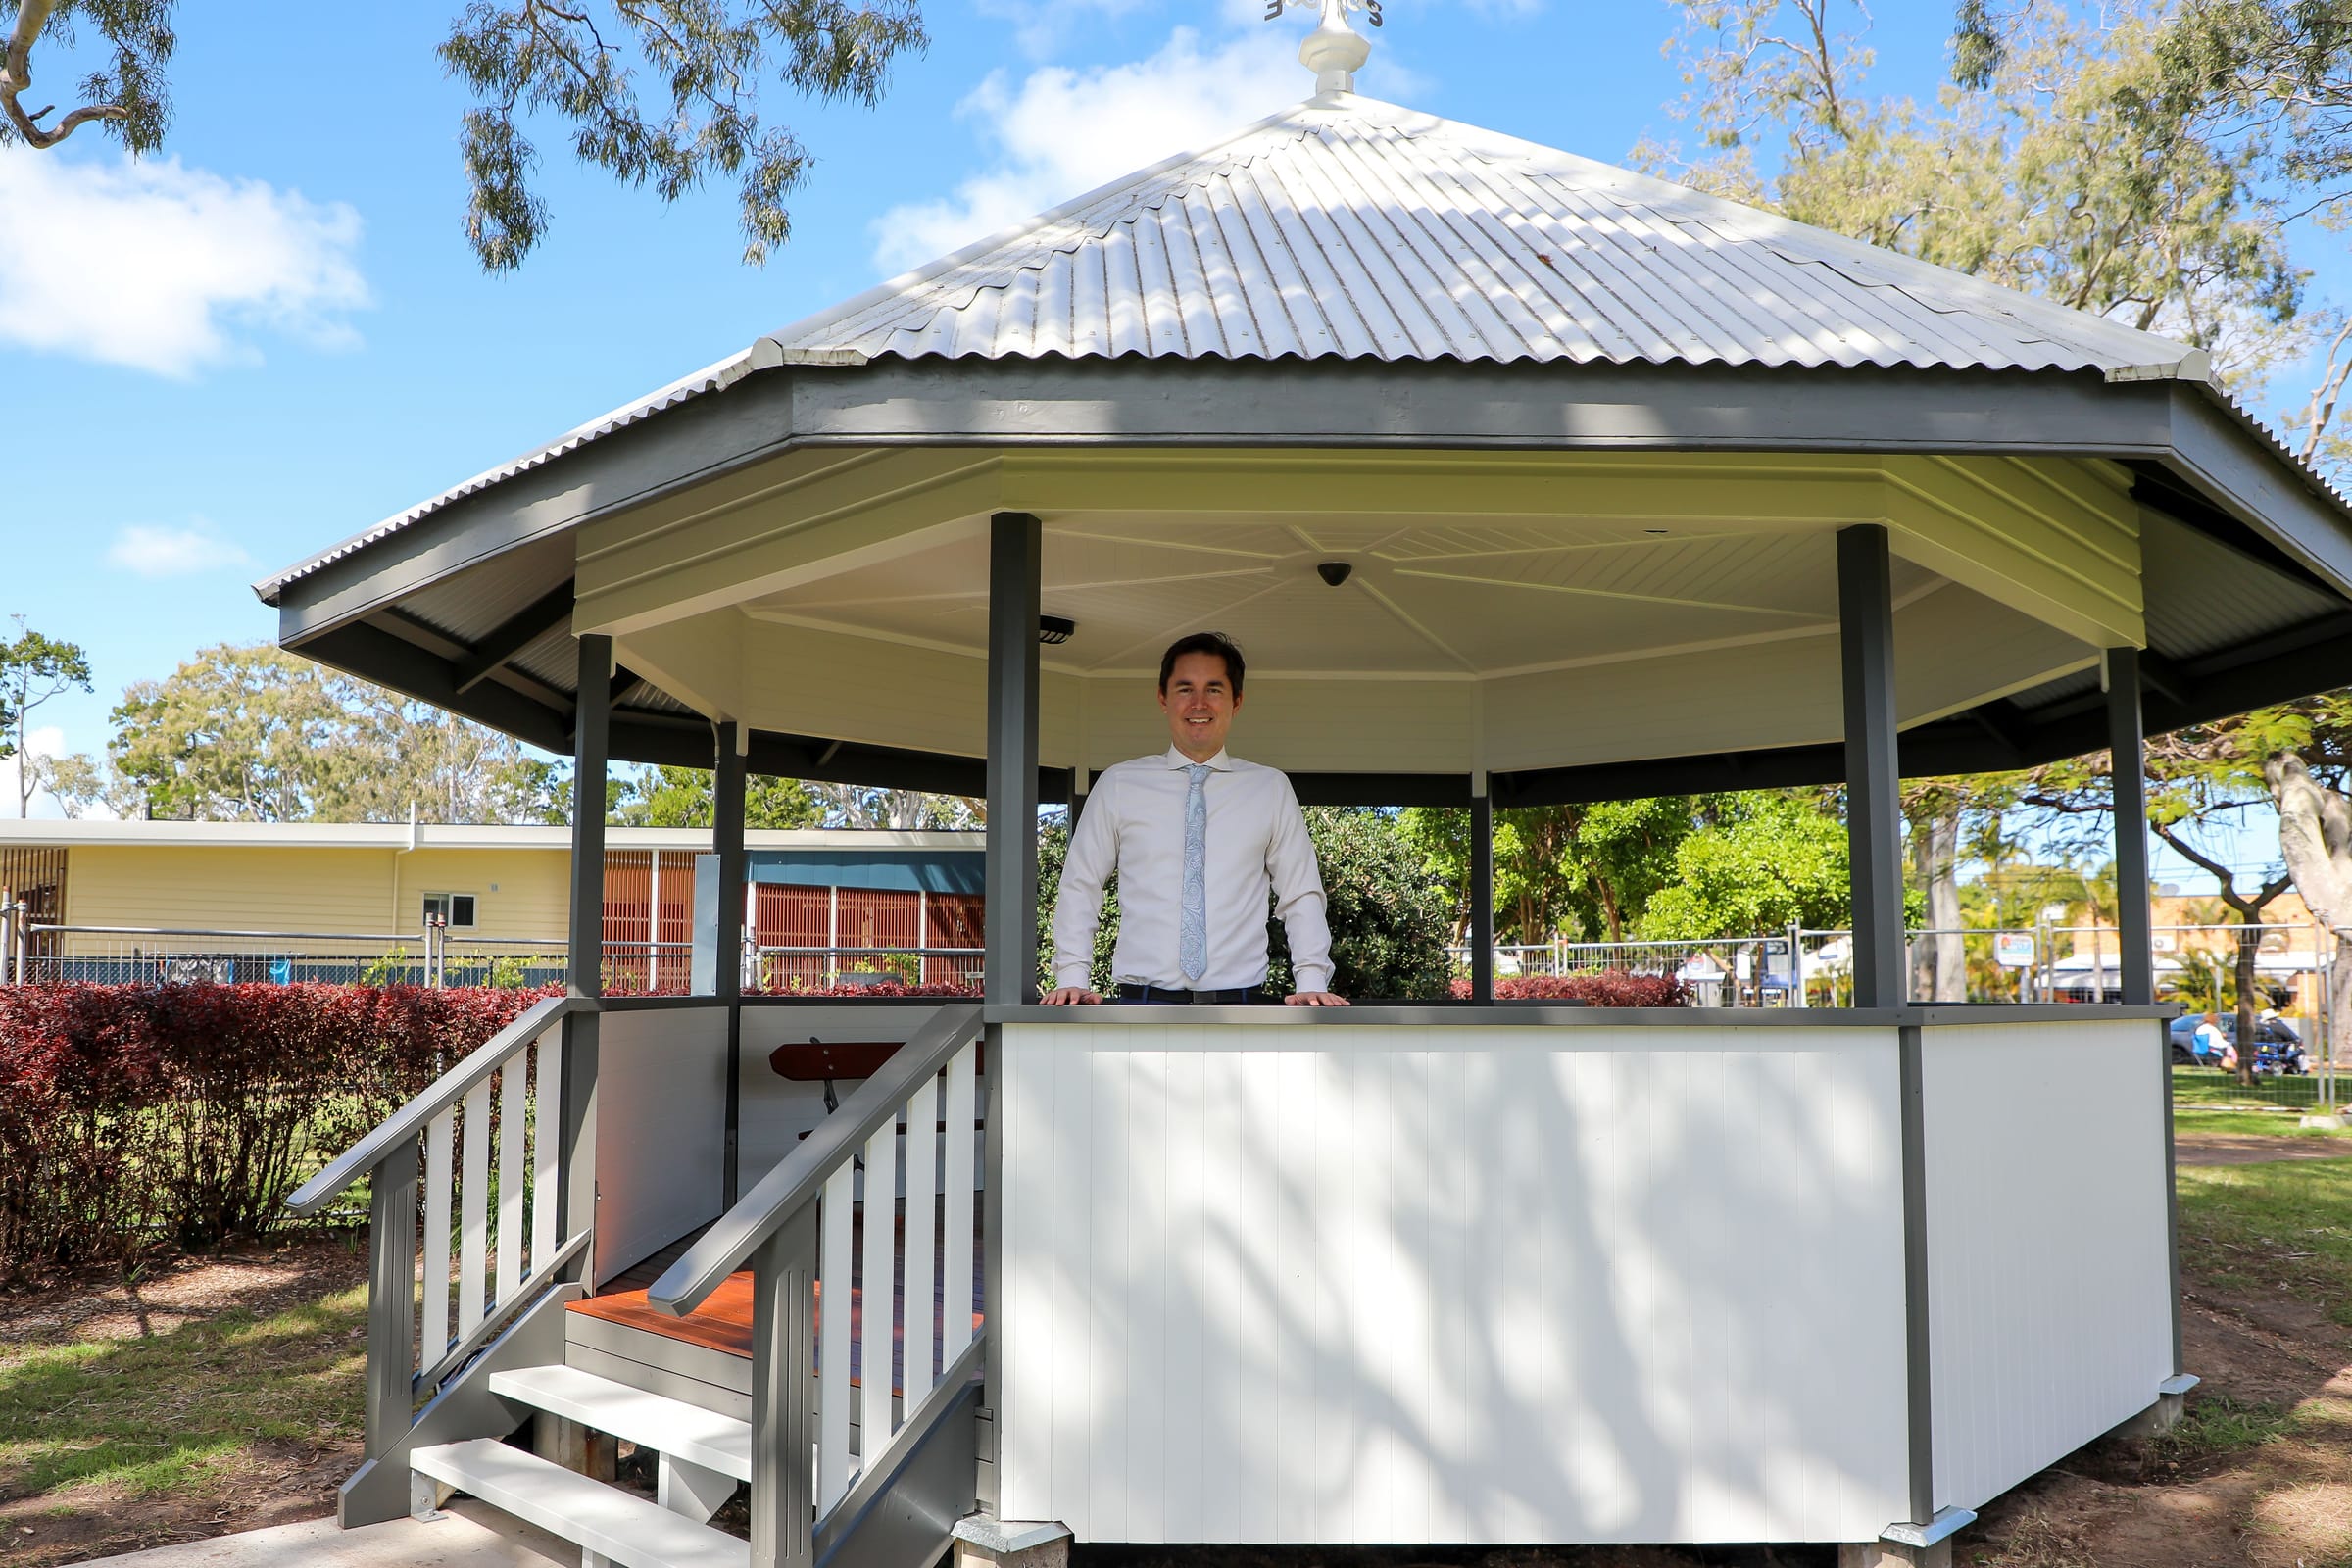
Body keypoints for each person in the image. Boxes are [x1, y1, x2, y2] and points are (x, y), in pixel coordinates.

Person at [1045, 631, 1347, 1006]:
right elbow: (1081, 883)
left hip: (1242, 1010)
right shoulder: (1119, 785)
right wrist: (1072, 975)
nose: (1199, 703)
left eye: (1214, 689)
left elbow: (1301, 892)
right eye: (1185, 689)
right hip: (1140, 1009)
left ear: (1236, 701)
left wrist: (1312, 979)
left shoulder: (1270, 789)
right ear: (1163, 698)